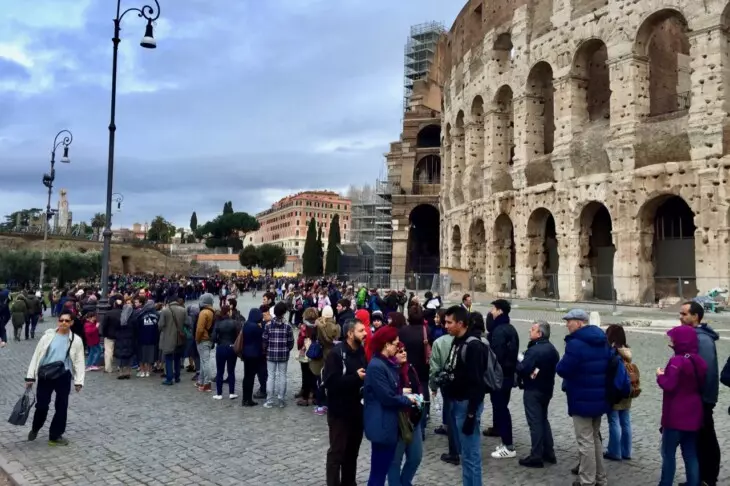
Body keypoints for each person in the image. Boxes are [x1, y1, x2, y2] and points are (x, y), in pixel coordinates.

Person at [556, 309, 611, 486]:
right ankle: (600, 479)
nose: (567, 324)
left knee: (585, 441)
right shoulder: (603, 340)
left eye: (569, 321)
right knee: (594, 439)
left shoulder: (576, 344)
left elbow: (563, 369)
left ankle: (587, 481)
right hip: (599, 396)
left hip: (581, 397)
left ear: (579, 323)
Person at [363, 326, 416, 486]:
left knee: (381, 470)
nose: (397, 347)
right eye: (395, 343)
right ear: (386, 345)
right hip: (382, 425)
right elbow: (387, 397)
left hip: (387, 424)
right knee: (378, 473)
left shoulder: (386, 364)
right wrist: (408, 400)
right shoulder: (377, 366)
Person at [441, 305, 488, 486]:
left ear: (460, 324)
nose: (446, 326)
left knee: (471, 455)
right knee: (465, 455)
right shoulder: (456, 341)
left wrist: (470, 414)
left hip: (468, 405)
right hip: (457, 401)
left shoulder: (473, 346)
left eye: (449, 322)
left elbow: (477, 384)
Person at [25, 310, 85, 446]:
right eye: (61, 320)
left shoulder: (76, 340)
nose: (64, 323)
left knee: (62, 406)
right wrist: (30, 377)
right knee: (41, 406)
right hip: (45, 375)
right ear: (58, 321)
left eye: (67, 321)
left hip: (63, 376)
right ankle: (36, 427)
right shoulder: (47, 337)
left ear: (72, 323)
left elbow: (79, 361)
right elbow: (36, 356)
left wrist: (79, 381)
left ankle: (55, 435)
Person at [657, 325, 707, 486]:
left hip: (676, 415)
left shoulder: (677, 361)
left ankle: (665, 483)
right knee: (691, 454)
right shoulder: (699, 360)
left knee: (668, 453)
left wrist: (660, 376)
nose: (671, 341)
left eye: (673, 339)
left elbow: (669, 385)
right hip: (694, 413)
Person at [679, 300, 720, 486]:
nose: (681, 317)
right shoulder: (693, 336)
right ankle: (699, 478)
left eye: (685, 314)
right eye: (680, 314)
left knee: (705, 439)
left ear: (695, 316)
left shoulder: (701, 339)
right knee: (698, 438)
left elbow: (705, 371)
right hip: (695, 398)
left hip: (700, 399)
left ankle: (707, 478)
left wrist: (700, 398)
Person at [322, 319, 368, 486]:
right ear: (350, 334)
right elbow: (331, 383)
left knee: (352, 453)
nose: (365, 333)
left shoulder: (361, 351)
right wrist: (355, 377)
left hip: (357, 411)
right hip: (339, 413)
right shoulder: (336, 354)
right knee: (337, 453)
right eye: (361, 331)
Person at [515, 320, 560, 468]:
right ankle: (549, 452)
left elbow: (523, 368)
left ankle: (536, 456)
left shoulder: (534, 350)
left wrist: (517, 362)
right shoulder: (552, 349)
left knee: (535, 422)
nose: (529, 331)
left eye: (532, 329)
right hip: (547, 389)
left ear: (539, 333)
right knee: (543, 420)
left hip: (533, 389)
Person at [485, 299, 519, 459]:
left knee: (501, 409)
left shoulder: (499, 331)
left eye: (493, 308)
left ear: (499, 311)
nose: (491, 311)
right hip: (508, 375)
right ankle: (506, 441)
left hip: (499, 377)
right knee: (501, 407)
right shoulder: (511, 329)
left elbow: (495, 357)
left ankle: (508, 445)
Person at [387, 342, 425, 486]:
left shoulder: (410, 368)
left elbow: (419, 387)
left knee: (416, 457)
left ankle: (405, 482)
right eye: (399, 351)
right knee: (395, 462)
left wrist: (420, 399)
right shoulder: (389, 371)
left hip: (413, 420)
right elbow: (385, 395)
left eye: (404, 350)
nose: (404, 353)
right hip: (398, 421)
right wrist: (400, 393)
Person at [429, 312, 457, 464]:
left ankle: (454, 450)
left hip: (447, 384)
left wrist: (433, 386)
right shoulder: (473, 341)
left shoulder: (439, 342)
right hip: (465, 387)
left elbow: (434, 368)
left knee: (452, 413)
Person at [604, 324, 634, 461]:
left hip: (615, 390)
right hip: (627, 391)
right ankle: (626, 451)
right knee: (625, 421)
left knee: (614, 421)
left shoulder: (613, 352)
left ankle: (615, 451)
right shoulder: (627, 351)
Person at [262, 302, 294, 408]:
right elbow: (291, 342)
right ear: (284, 313)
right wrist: (287, 349)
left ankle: (270, 400)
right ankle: (281, 399)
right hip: (283, 354)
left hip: (271, 353)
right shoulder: (288, 326)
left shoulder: (268, 325)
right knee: (282, 376)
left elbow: (264, 341)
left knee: (271, 377)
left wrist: (266, 350)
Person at [211, 305, 241, 399]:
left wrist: (219, 341)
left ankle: (219, 394)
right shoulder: (235, 322)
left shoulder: (218, 323)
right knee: (231, 371)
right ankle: (231, 392)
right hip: (231, 347)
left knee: (220, 371)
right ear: (228, 312)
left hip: (221, 348)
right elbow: (239, 335)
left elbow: (213, 337)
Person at [157, 297, 186, 386]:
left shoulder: (165, 311)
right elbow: (187, 323)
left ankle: (169, 378)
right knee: (177, 358)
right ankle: (177, 377)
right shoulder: (183, 310)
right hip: (179, 338)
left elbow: (160, 325)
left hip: (168, 338)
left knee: (168, 359)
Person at [240, 308, 264, 406]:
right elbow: (261, 339)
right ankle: (248, 400)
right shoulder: (256, 327)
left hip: (246, 353)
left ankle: (244, 398)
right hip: (254, 355)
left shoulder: (246, 325)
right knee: (251, 378)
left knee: (246, 377)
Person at [195, 293, 216, 392]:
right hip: (209, 339)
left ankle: (207, 383)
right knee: (204, 361)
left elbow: (199, 329)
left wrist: (197, 339)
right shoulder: (213, 311)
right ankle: (201, 380)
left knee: (205, 362)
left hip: (203, 339)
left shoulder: (203, 313)